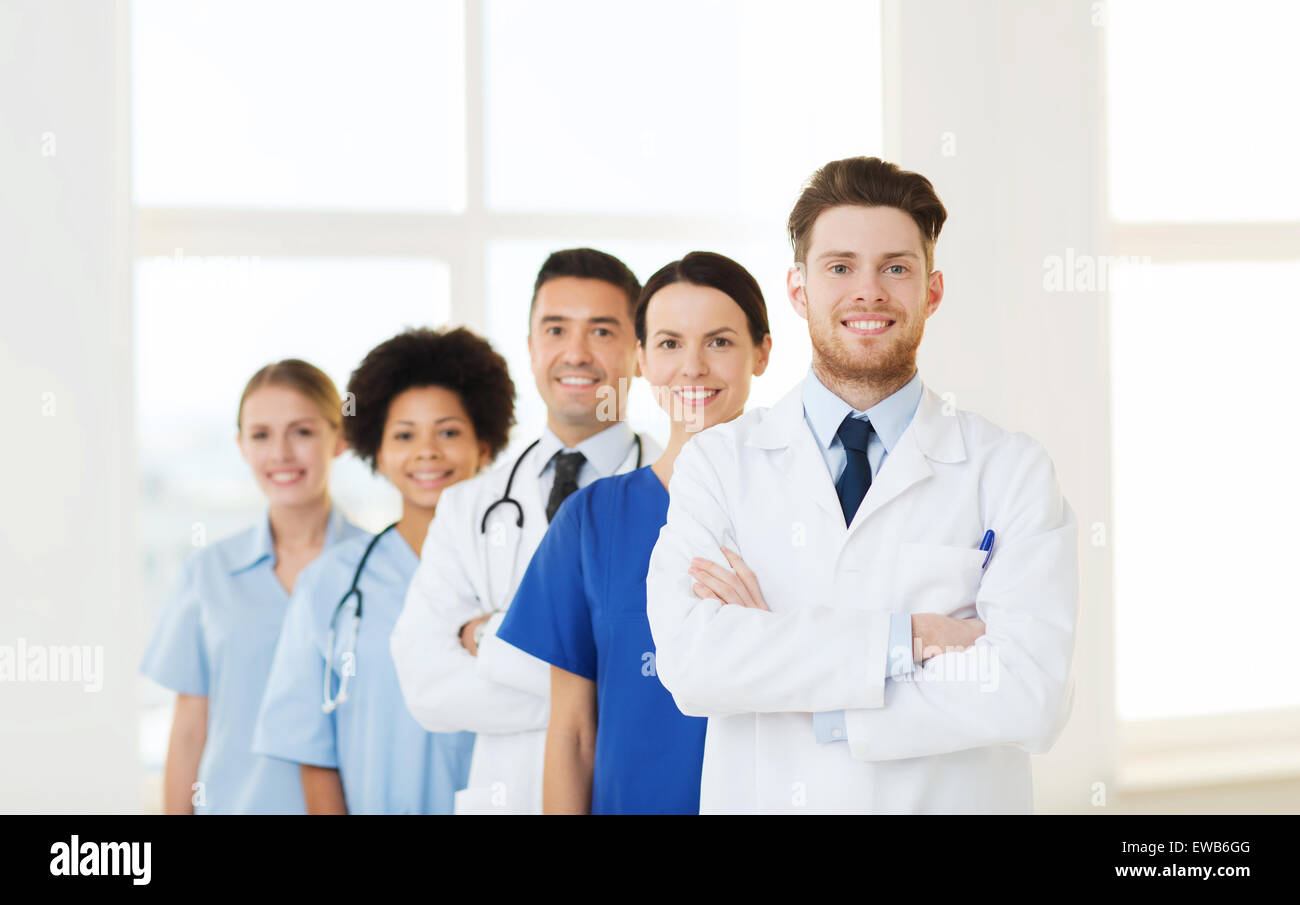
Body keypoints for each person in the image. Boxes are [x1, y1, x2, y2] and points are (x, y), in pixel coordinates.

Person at [646, 156, 1079, 814]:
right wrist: (913, 637)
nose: (868, 292)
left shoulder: (1011, 469)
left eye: (895, 267)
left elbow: (1030, 692)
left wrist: (798, 680)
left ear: (932, 291)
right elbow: (694, 664)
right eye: (841, 266)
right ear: (799, 289)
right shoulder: (719, 463)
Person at [496, 252, 771, 814]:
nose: (692, 367)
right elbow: (572, 732)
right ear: (641, 358)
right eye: (670, 344)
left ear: (762, 352)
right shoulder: (591, 521)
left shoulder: (806, 514)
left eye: (719, 342)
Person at [390, 248, 662, 815]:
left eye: (602, 330)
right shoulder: (469, 505)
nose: (575, 353)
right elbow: (427, 687)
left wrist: (489, 638)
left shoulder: (680, 493)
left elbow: (676, 675)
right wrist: (600, 690)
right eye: (556, 328)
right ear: (532, 345)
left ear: (638, 353)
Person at [252, 328, 514, 814]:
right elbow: (313, 752)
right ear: (378, 450)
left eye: (449, 431)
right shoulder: (329, 584)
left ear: (484, 445)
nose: (427, 451)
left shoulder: (522, 574)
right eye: (404, 435)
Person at [140, 360, 366, 814]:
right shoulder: (207, 574)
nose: (280, 453)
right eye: (261, 435)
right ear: (241, 445)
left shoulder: (377, 567)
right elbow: (189, 730)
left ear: (338, 438)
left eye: (301, 432)